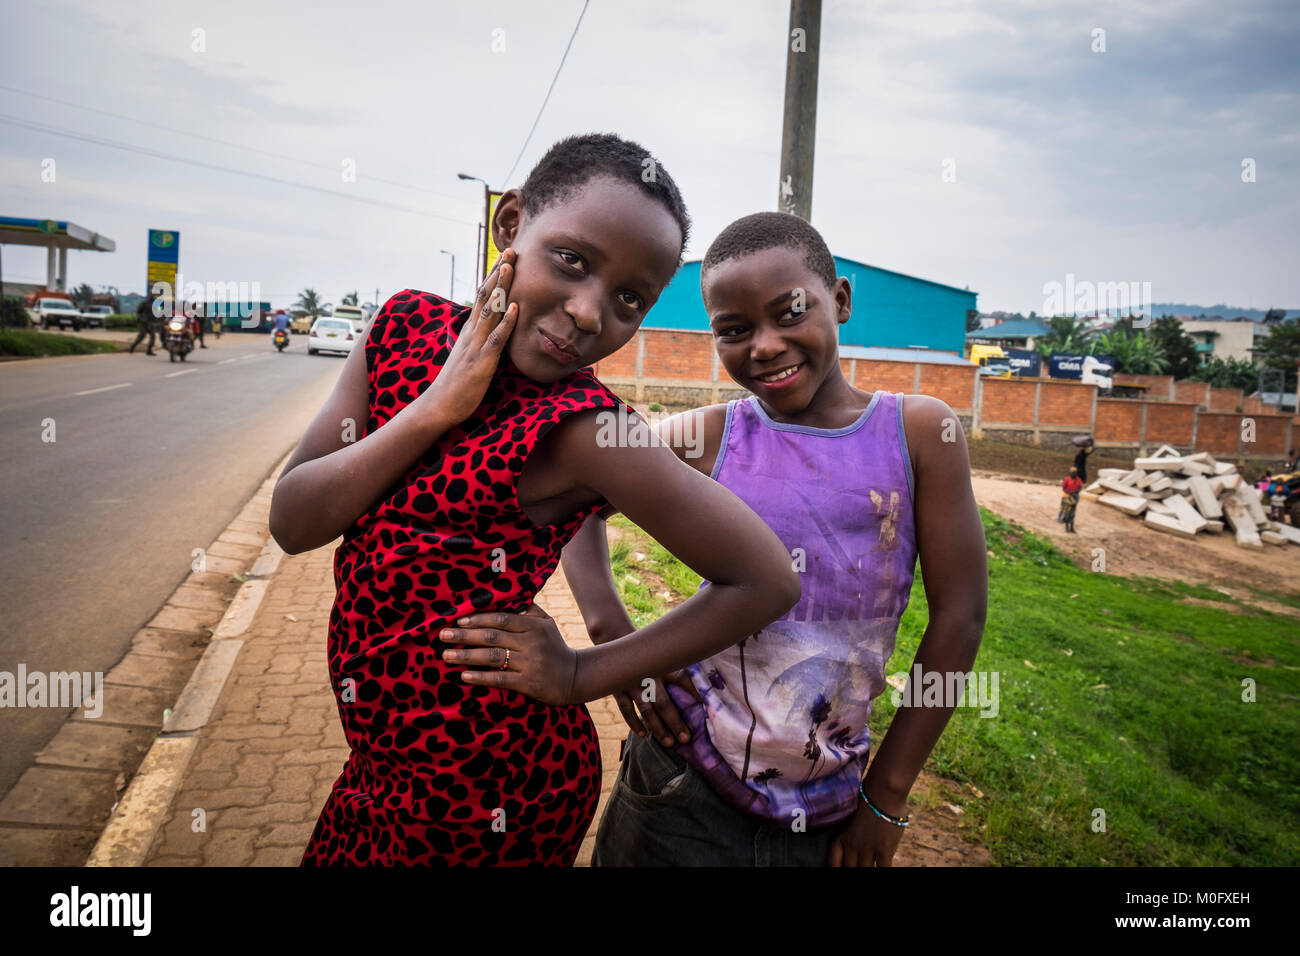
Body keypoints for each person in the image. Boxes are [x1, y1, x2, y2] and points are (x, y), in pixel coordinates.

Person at [270, 134, 801, 866]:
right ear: (512, 224)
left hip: (482, 784)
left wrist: (586, 669)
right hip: (378, 762)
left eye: (628, 299)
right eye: (573, 261)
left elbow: (765, 578)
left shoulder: (588, 430)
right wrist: (434, 409)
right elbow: (294, 521)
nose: (589, 313)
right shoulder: (404, 331)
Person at [556, 211, 988, 866]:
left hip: (829, 810)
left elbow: (960, 616)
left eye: (789, 314)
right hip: (680, 789)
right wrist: (614, 638)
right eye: (734, 330)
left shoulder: (920, 434)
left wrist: (887, 796)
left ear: (839, 300)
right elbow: (576, 502)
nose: (763, 345)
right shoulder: (711, 436)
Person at [1060, 466, 1083, 533]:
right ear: (1070, 472)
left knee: (1073, 513)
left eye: (1074, 472)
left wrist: (1075, 492)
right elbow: (1063, 488)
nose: (1073, 474)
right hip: (1067, 497)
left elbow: (1080, 487)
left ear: (1076, 473)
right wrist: (1069, 492)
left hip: (1075, 497)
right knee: (1067, 512)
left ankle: (1072, 528)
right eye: (1072, 472)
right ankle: (1067, 528)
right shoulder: (1067, 479)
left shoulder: (1078, 479)